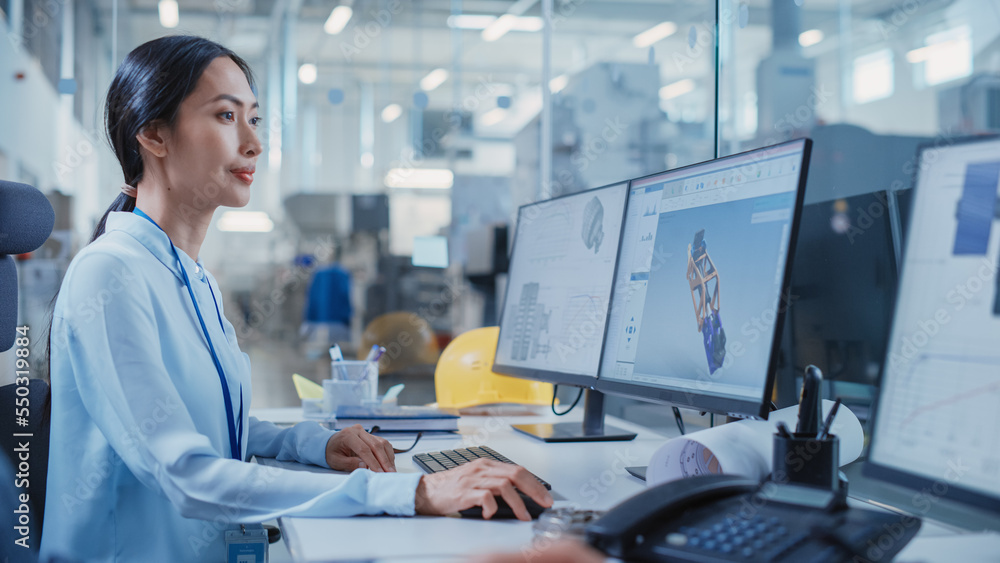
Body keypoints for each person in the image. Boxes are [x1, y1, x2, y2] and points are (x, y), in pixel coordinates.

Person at [41, 35, 551, 563]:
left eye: (254, 120)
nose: (253, 143)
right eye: (224, 116)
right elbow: (187, 474)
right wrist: (412, 493)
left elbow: (216, 425)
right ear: (154, 134)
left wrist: (312, 444)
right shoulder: (109, 275)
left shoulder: (192, 279)